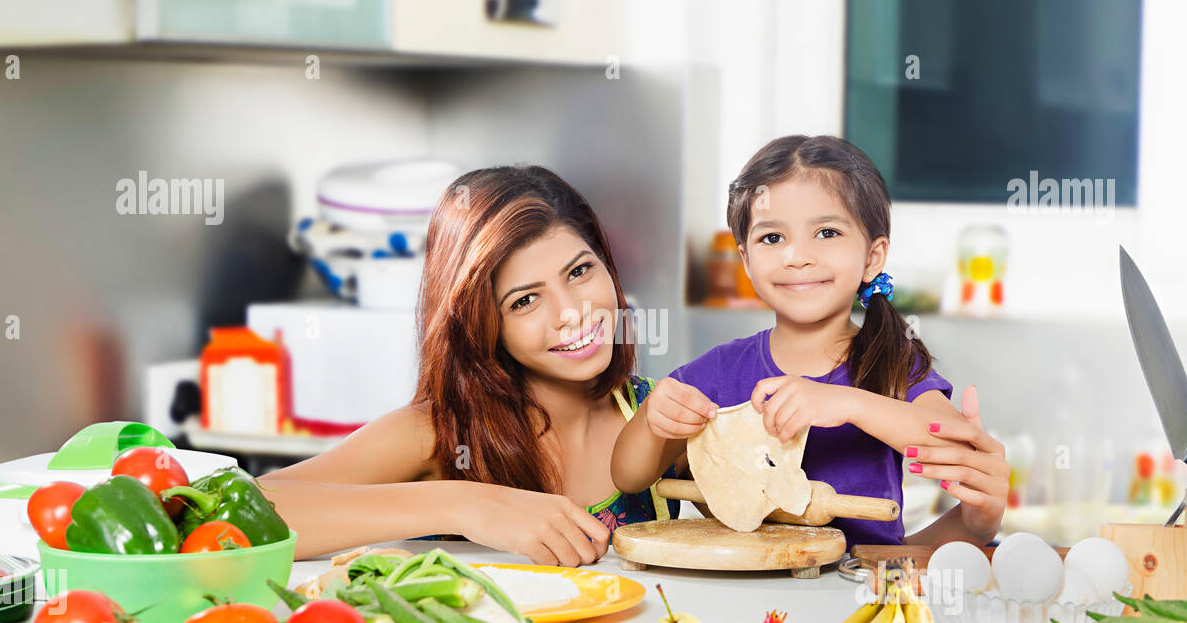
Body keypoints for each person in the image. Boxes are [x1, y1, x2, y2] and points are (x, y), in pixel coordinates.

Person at [260, 164, 681, 563]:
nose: (571, 313)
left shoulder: (660, 415)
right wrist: (459, 503)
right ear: (481, 324)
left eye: (579, 271)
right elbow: (234, 512)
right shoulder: (437, 433)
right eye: (525, 300)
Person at [611, 135, 1009, 549]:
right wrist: (654, 420)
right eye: (772, 238)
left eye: (827, 232)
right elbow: (628, 476)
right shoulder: (720, 370)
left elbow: (950, 444)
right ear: (746, 259)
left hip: (858, 592)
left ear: (872, 258)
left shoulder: (890, 361)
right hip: (743, 595)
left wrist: (847, 404)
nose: (797, 256)